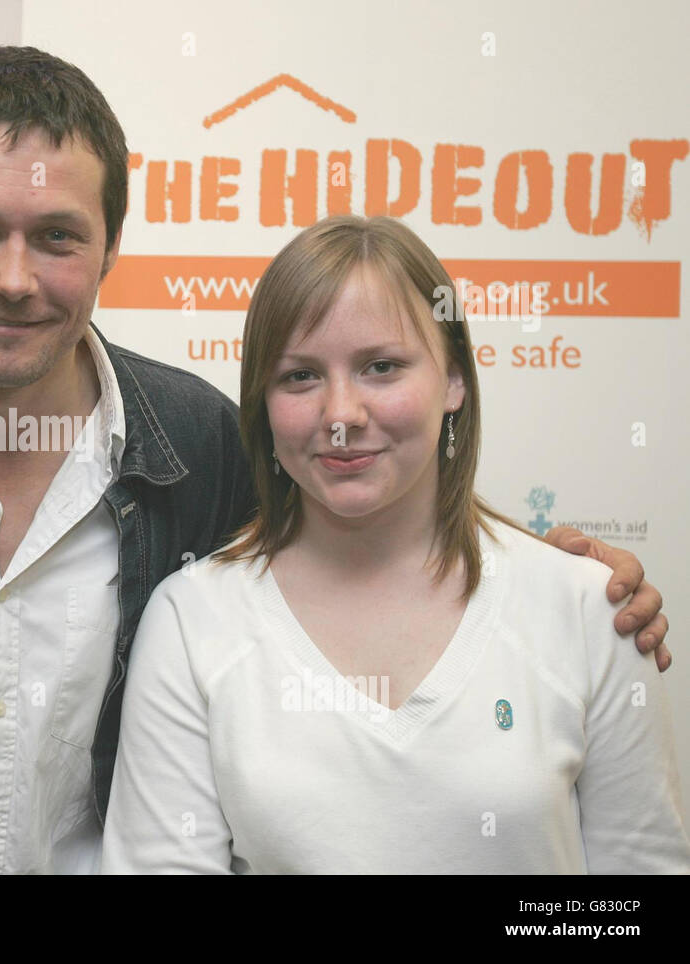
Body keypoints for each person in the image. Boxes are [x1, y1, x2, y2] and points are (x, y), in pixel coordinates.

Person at [0, 47, 671, 875]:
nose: (12, 279)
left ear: (111, 247)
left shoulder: (193, 442)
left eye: (57, 237)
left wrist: (556, 587)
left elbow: (373, 516)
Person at [100, 215, 690, 873]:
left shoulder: (589, 607)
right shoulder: (193, 622)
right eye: (299, 376)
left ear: (455, 381)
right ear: (261, 402)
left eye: (381, 367)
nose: (342, 415)